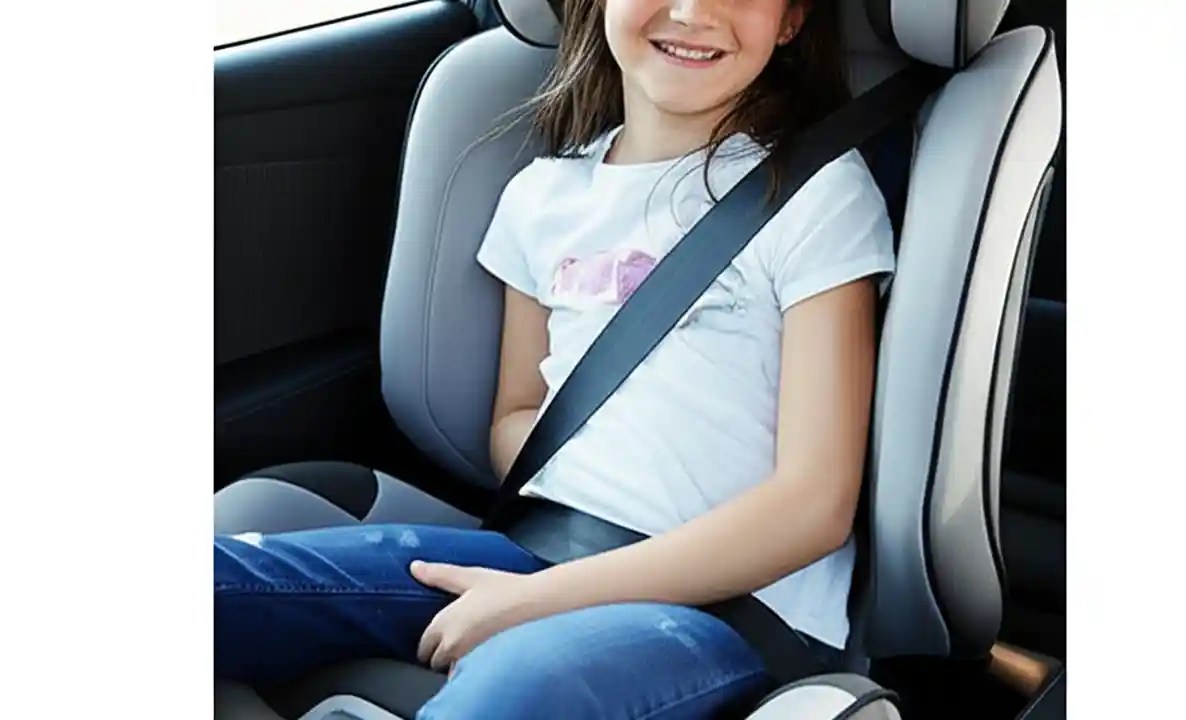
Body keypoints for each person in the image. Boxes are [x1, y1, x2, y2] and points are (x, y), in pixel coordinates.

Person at [215, 0, 897, 716]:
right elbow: (516, 415)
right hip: (540, 551)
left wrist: (541, 599)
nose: (693, 10)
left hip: (729, 607)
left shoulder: (816, 194)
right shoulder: (542, 197)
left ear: (791, 19)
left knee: (515, 689)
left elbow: (813, 506)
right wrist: (560, 545)